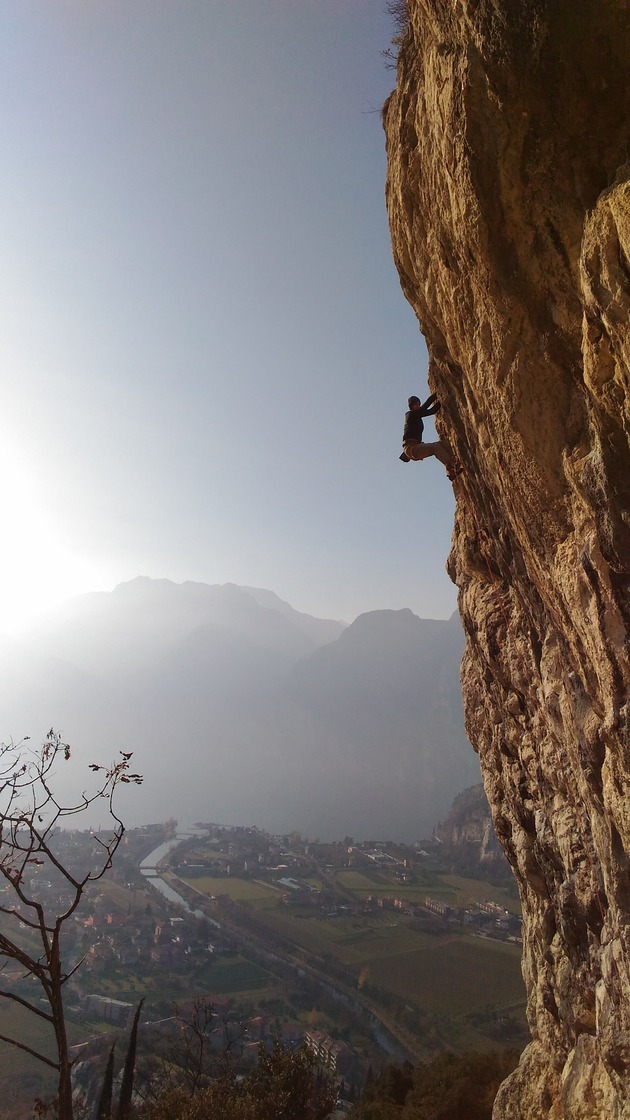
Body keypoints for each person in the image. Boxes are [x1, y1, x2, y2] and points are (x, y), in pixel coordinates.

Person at [400, 393, 459, 477]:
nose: (419, 406)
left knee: (443, 444)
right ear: (413, 405)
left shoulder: (417, 416)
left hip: (415, 447)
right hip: (411, 448)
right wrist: (438, 393)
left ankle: (454, 464)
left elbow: (432, 411)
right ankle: (450, 469)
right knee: (435, 447)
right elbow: (426, 406)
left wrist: (441, 401)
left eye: (419, 404)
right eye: (417, 404)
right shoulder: (410, 415)